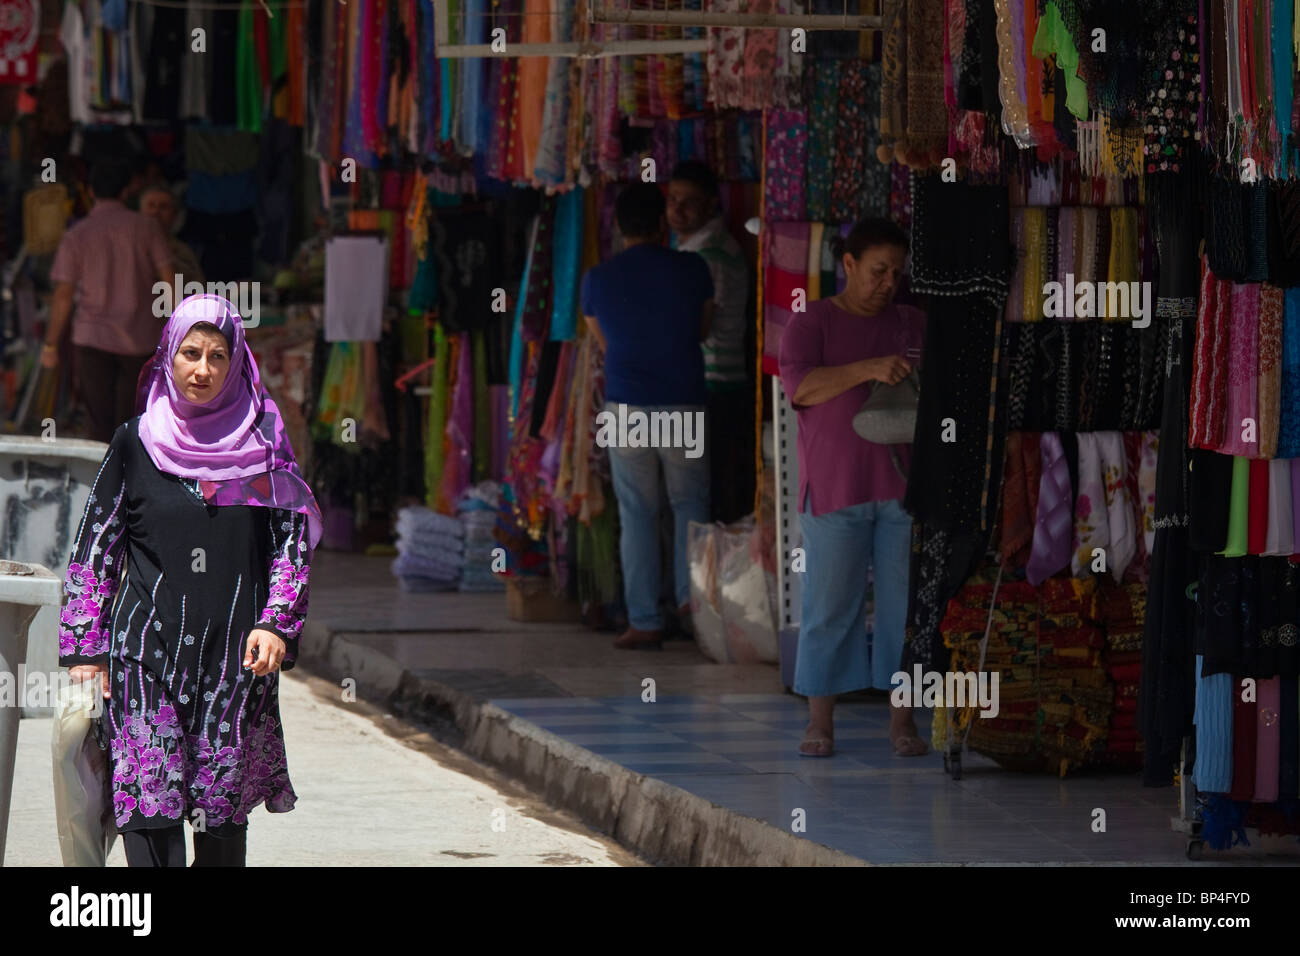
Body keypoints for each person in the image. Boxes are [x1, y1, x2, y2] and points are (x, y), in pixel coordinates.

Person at [58, 294, 322, 867]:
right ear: (168, 358)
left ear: (237, 364)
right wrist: (87, 647)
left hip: (234, 659)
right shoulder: (136, 442)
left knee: (220, 808)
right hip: (143, 651)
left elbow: (290, 545)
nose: (202, 369)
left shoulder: (262, 449)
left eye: (217, 356)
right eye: (190, 353)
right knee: (150, 803)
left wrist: (277, 623)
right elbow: (96, 546)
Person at [777, 218, 928, 758]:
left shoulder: (912, 323)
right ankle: (820, 722)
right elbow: (803, 386)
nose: (888, 281)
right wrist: (868, 368)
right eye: (878, 270)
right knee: (828, 607)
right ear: (848, 266)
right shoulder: (811, 321)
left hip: (903, 489)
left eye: (896, 272)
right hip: (836, 489)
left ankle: (902, 724)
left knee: (903, 611)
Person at [581, 182, 715, 650]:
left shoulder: (597, 279)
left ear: (618, 227)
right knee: (690, 505)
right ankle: (690, 606)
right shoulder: (693, 268)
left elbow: (604, 343)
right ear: (662, 224)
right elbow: (702, 330)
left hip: (627, 405)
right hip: (684, 400)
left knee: (637, 511)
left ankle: (643, 620)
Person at [42, 159, 176, 444]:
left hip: (92, 339)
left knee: (98, 423)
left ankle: (103, 481)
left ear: (89, 191)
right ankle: (132, 482)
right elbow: (170, 283)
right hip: (139, 339)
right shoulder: (147, 228)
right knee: (135, 419)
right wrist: (178, 331)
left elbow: (64, 295)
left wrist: (51, 344)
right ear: (127, 191)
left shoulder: (76, 234)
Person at [667, 161, 754, 525]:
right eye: (672, 199)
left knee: (711, 493)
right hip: (715, 382)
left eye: (689, 202)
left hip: (714, 383)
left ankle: (715, 574)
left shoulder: (708, 257)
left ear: (710, 206)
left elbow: (691, 328)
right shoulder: (695, 249)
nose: (677, 209)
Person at [139, 183, 205, 287]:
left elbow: (197, 288)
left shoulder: (183, 251)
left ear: (174, 215)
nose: (156, 212)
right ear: (140, 211)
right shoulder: (128, 244)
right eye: (151, 205)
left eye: (163, 207)